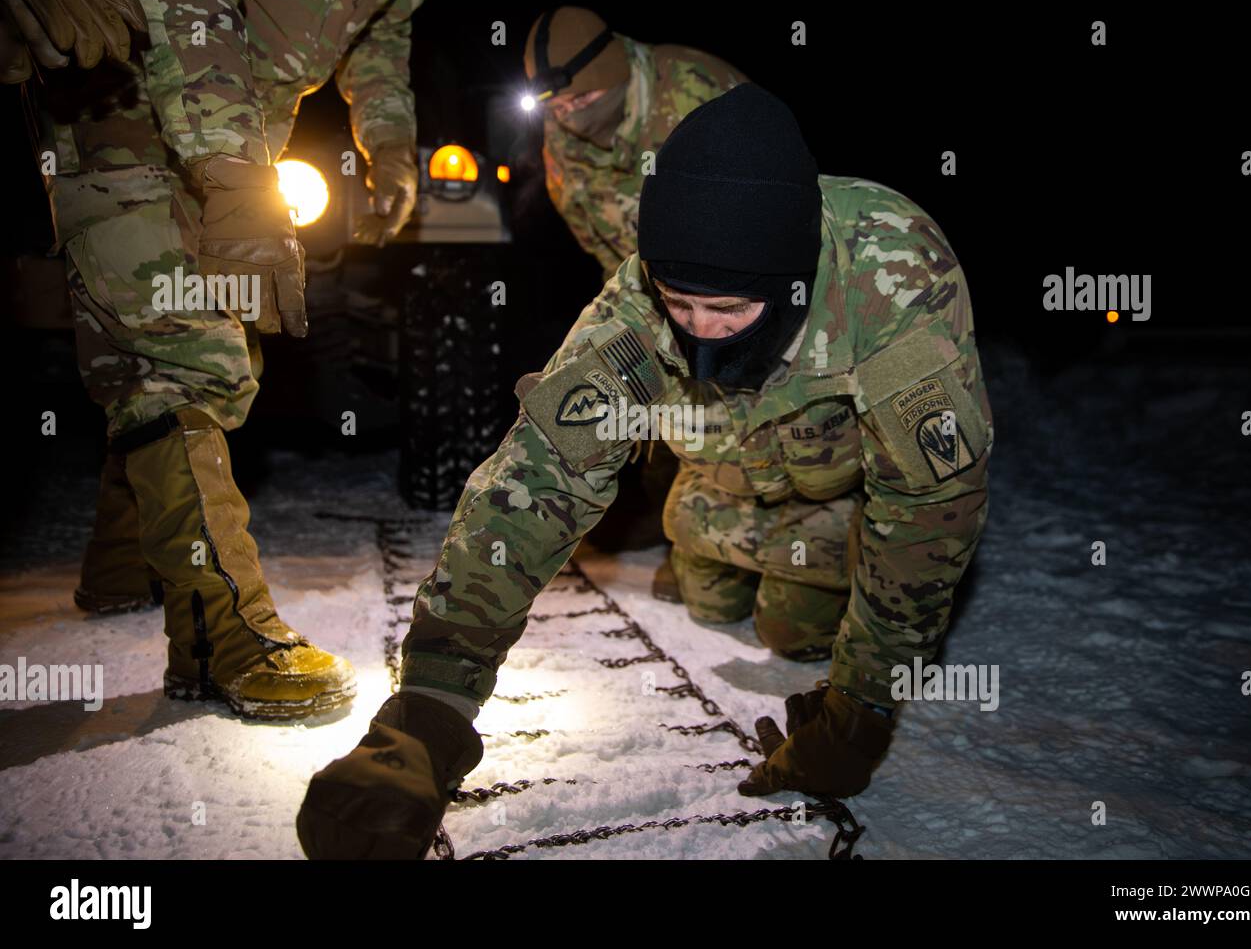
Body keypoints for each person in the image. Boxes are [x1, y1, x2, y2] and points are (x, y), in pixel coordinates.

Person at [297, 83, 993, 857]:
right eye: (679, 305)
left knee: (791, 629)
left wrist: (859, 716)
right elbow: (537, 479)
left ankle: (788, 562)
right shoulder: (638, 304)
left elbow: (930, 510)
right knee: (703, 588)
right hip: (726, 467)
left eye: (728, 311)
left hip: (837, 486)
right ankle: (709, 535)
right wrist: (428, 712)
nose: (699, 338)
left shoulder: (894, 281)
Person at [23, 0, 426, 719]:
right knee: (184, 361)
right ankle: (222, 643)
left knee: (187, 360)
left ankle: (121, 569)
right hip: (127, 117)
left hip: (238, 135)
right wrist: (235, 176)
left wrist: (390, 144)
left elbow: (378, 32)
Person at [522, 4, 747, 576]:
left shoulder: (701, 95)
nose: (569, 118)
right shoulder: (563, 125)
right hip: (641, 276)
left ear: (616, 75)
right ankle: (655, 502)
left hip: (728, 288)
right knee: (618, 377)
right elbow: (588, 220)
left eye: (583, 102)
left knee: (717, 398)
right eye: (558, 107)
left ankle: (722, 529)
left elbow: (758, 223)